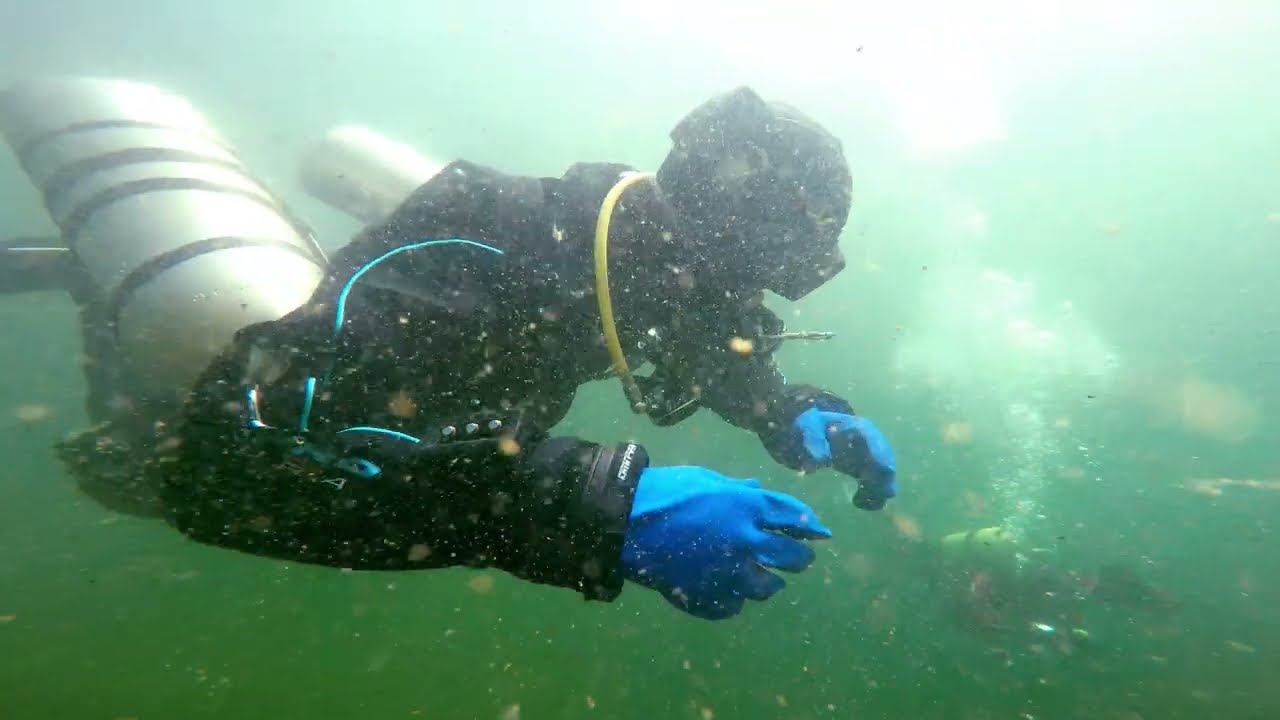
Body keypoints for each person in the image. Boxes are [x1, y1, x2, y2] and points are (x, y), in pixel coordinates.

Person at [8, 86, 899, 620]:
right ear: (704, 239)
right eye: (750, 278)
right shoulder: (490, 235)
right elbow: (259, 443)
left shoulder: (641, 272)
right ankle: (89, 280)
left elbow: (711, 345)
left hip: (385, 407)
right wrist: (600, 502)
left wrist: (786, 409)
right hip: (195, 447)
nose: (746, 311)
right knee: (222, 357)